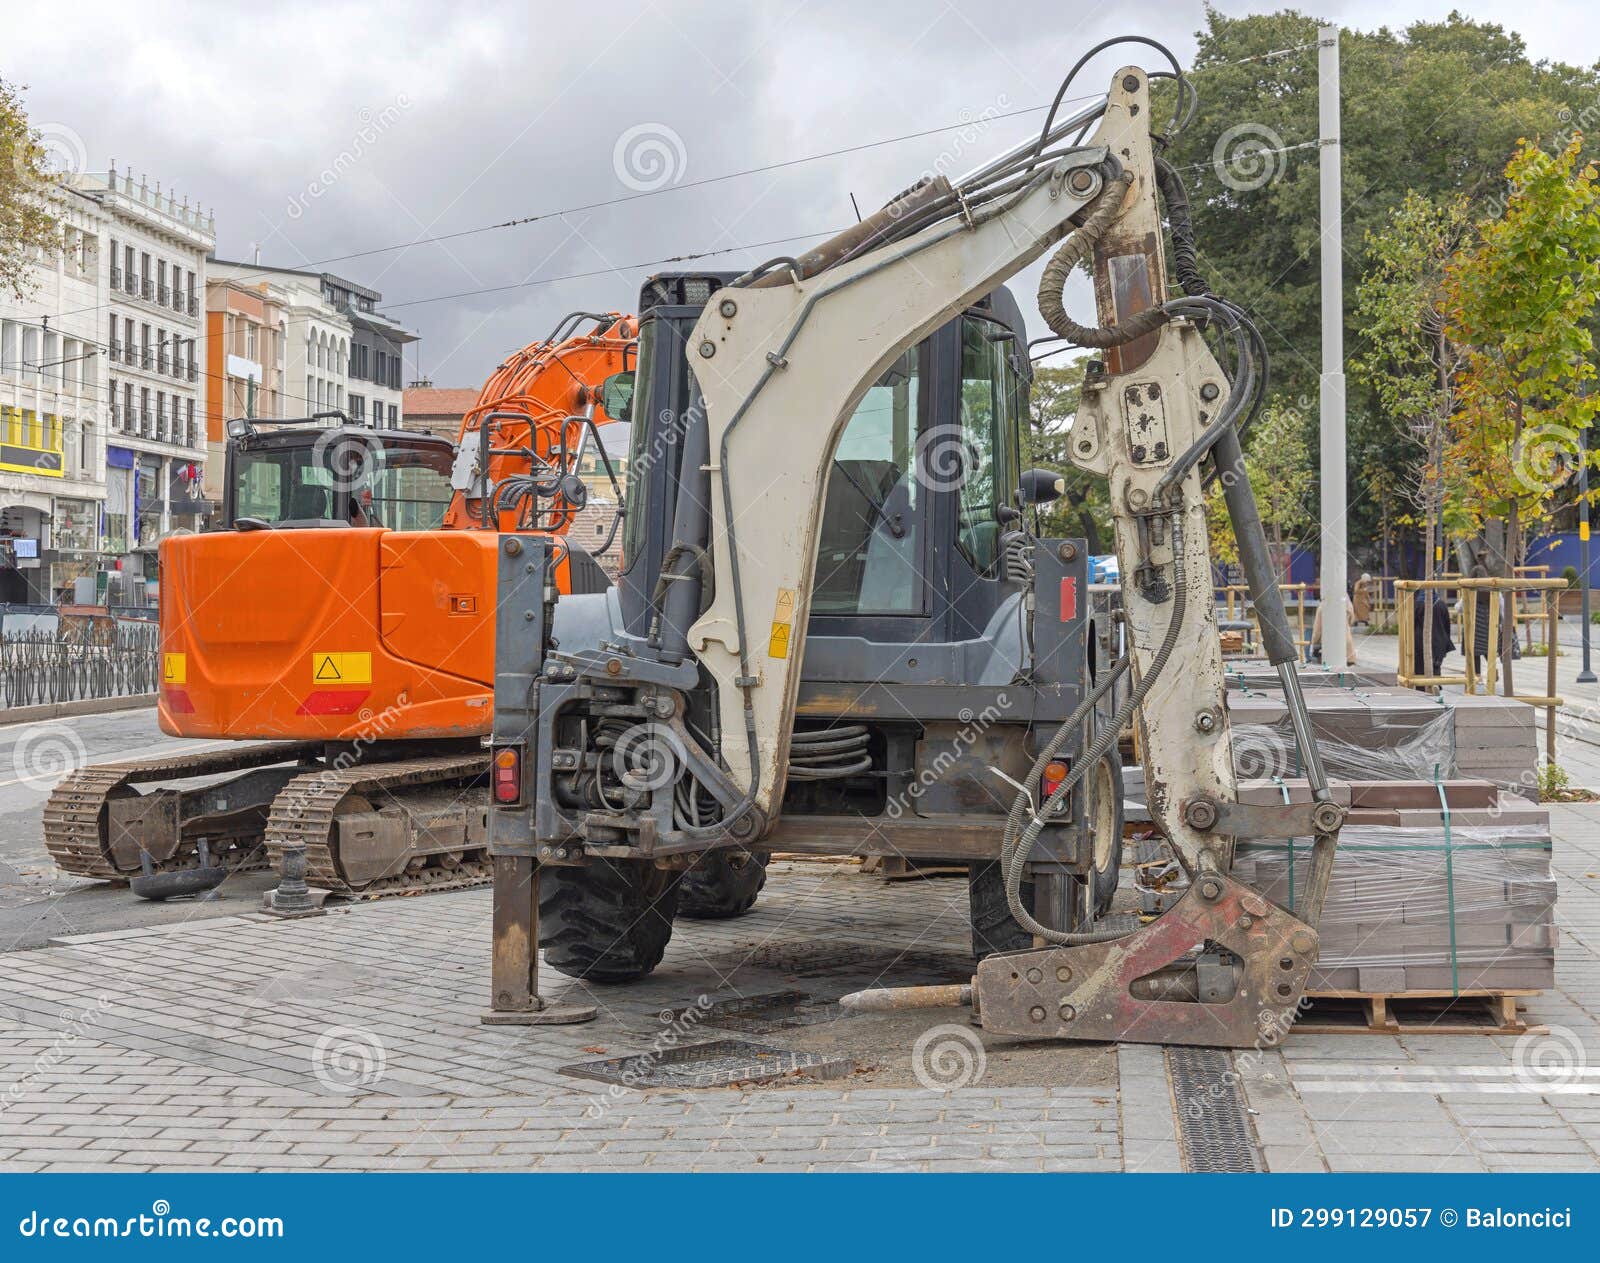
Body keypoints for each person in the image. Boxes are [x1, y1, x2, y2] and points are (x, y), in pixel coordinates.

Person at [1412, 587, 1454, 677]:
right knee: (1435, 668)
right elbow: (1447, 626)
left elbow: (1412, 625)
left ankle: (1423, 689)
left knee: (1420, 670)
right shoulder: (1441, 604)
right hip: (1439, 642)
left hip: (1420, 643)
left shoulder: (1417, 604)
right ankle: (1435, 686)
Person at [1311, 584, 1357, 663]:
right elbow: (1352, 620)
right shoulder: (1348, 605)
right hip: (1347, 647)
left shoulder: (1323, 607)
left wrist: (1314, 643)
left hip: (1330, 647)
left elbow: (1318, 629)